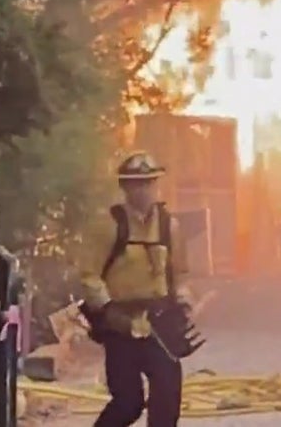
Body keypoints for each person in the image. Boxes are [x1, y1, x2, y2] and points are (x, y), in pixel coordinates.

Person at [76, 151, 190, 426]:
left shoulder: (169, 226)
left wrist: (184, 301)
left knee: (167, 396)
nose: (143, 190)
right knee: (128, 402)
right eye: (136, 184)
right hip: (121, 324)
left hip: (159, 322)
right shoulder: (109, 226)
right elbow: (89, 274)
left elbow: (181, 272)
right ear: (124, 187)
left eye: (149, 183)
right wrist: (107, 309)